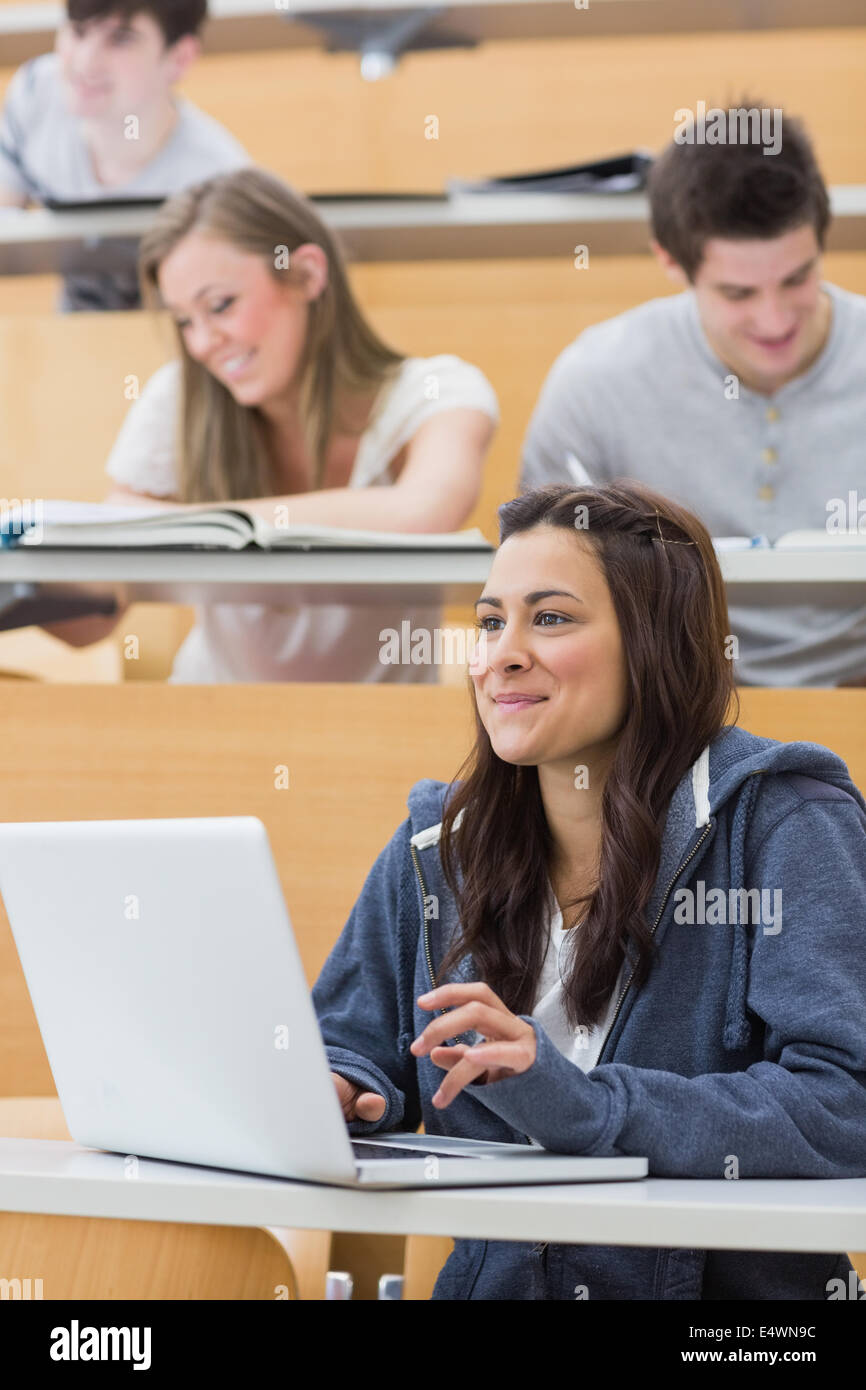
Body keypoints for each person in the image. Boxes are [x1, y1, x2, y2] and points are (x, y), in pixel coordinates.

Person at [313, 480, 866, 1300]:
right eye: (492, 620)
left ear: (656, 643)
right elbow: (353, 1041)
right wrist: (341, 1086)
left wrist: (587, 1105)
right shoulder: (438, 847)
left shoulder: (787, 823)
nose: (502, 652)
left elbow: (845, 1105)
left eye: (551, 618)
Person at [49, 166, 498, 682]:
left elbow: (423, 512)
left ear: (306, 274)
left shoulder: (438, 390)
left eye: (220, 305)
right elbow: (96, 617)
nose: (202, 343)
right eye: (184, 321)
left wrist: (191, 527)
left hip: (378, 733)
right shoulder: (179, 397)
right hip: (214, 718)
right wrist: (30, 588)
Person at [520, 101, 866, 688]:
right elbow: (542, 592)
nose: (776, 320)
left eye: (797, 278)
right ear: (669, 260)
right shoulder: (597, 381)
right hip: (665, 718)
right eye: (737, 293)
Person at [0, 0, 248, 310]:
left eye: (121, 39)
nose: (86, 62)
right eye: (78, 32)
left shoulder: (217, 180)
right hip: (74, 336)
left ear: (179, 58)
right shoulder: (35, 93)